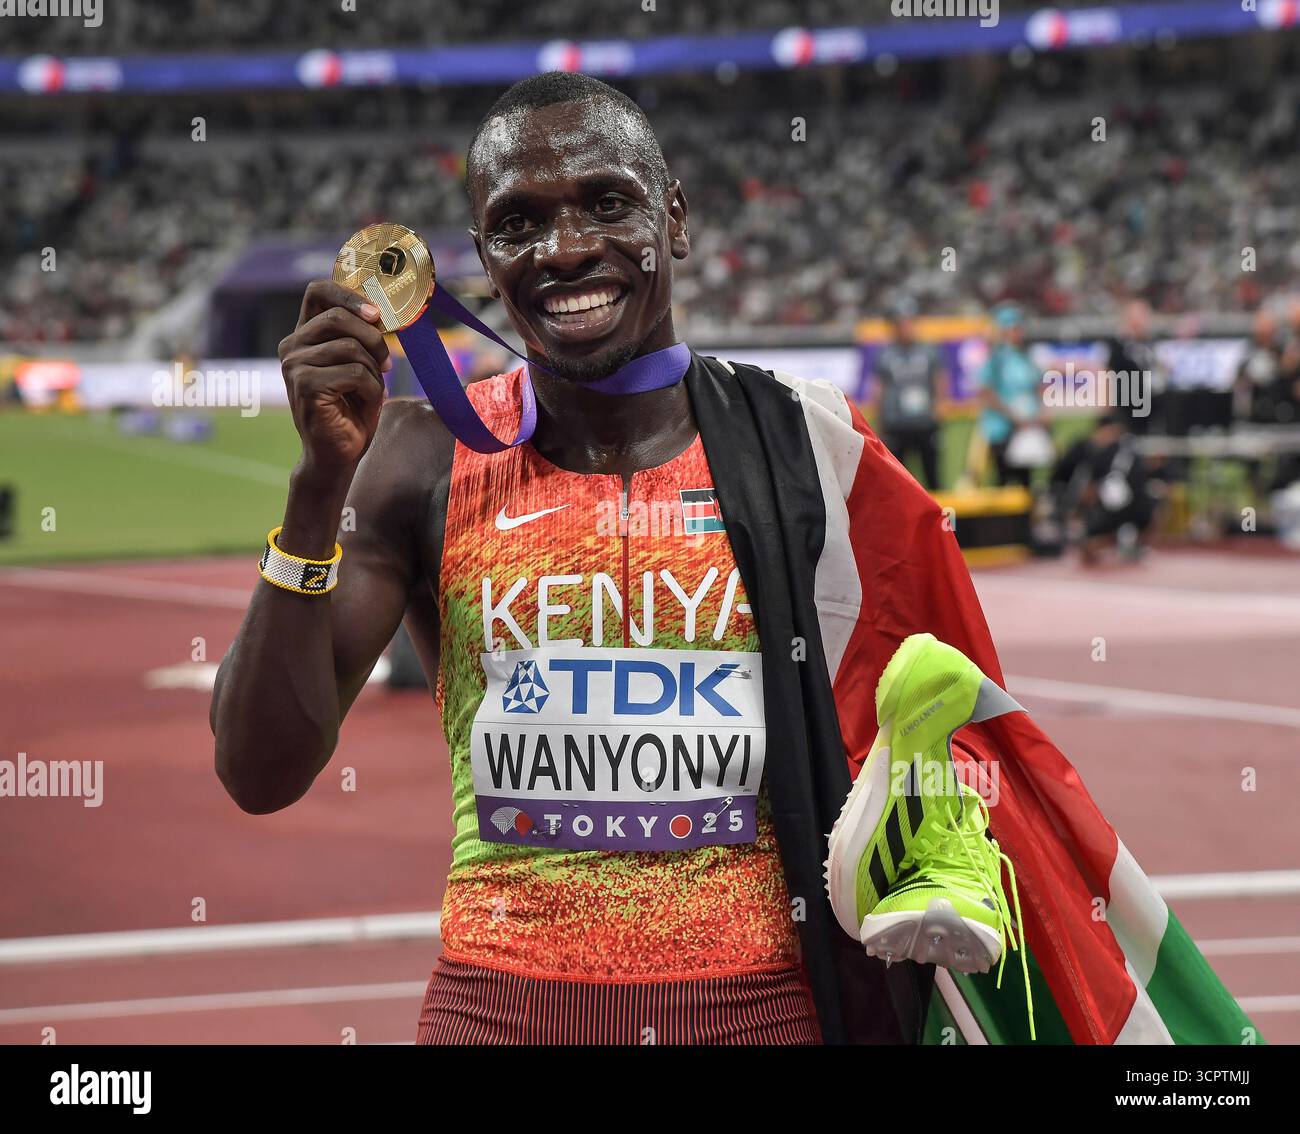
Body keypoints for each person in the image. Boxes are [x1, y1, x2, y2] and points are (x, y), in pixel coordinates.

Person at [211, 72, 1251, 1047]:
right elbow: (260, 771)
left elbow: (950, 740)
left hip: (762, 1015)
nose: (564, 249)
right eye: (518, 224)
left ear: (675, 216)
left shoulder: (815, 454)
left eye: (605, 204)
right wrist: (315, 488)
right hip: (496, 1013)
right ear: (481, 259)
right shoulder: (413, 456)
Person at [1050, 411, 1156, 565]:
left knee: (1088, 543)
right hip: (1143, 512)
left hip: (1113, 513)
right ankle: (1132, 539)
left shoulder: (1102, 453)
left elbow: (1089, 491)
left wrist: (1078, 512)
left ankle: (1112, 539)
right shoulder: (1135, 450)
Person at [871, 300, 947, 489]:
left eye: (909, 321)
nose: (906, 327)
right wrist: (879, 420)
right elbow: (879, 388)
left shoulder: (928, 351)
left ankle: (937, 518)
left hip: (925, 422)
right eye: (901, 323)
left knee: (933, 477)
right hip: (897, 423)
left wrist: (940, 404)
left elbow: (939, 379)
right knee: (898, 480)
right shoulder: (885, 354)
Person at [974, 303, 1047, 487]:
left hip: (1026, 428)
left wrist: (1040, 412)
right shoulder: (997, 359)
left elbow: (1037, 386)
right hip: (1003, 430)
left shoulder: (1024, 357)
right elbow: (986, 392)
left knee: (1025, 481)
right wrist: (1012, 416)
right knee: (1004, 481)